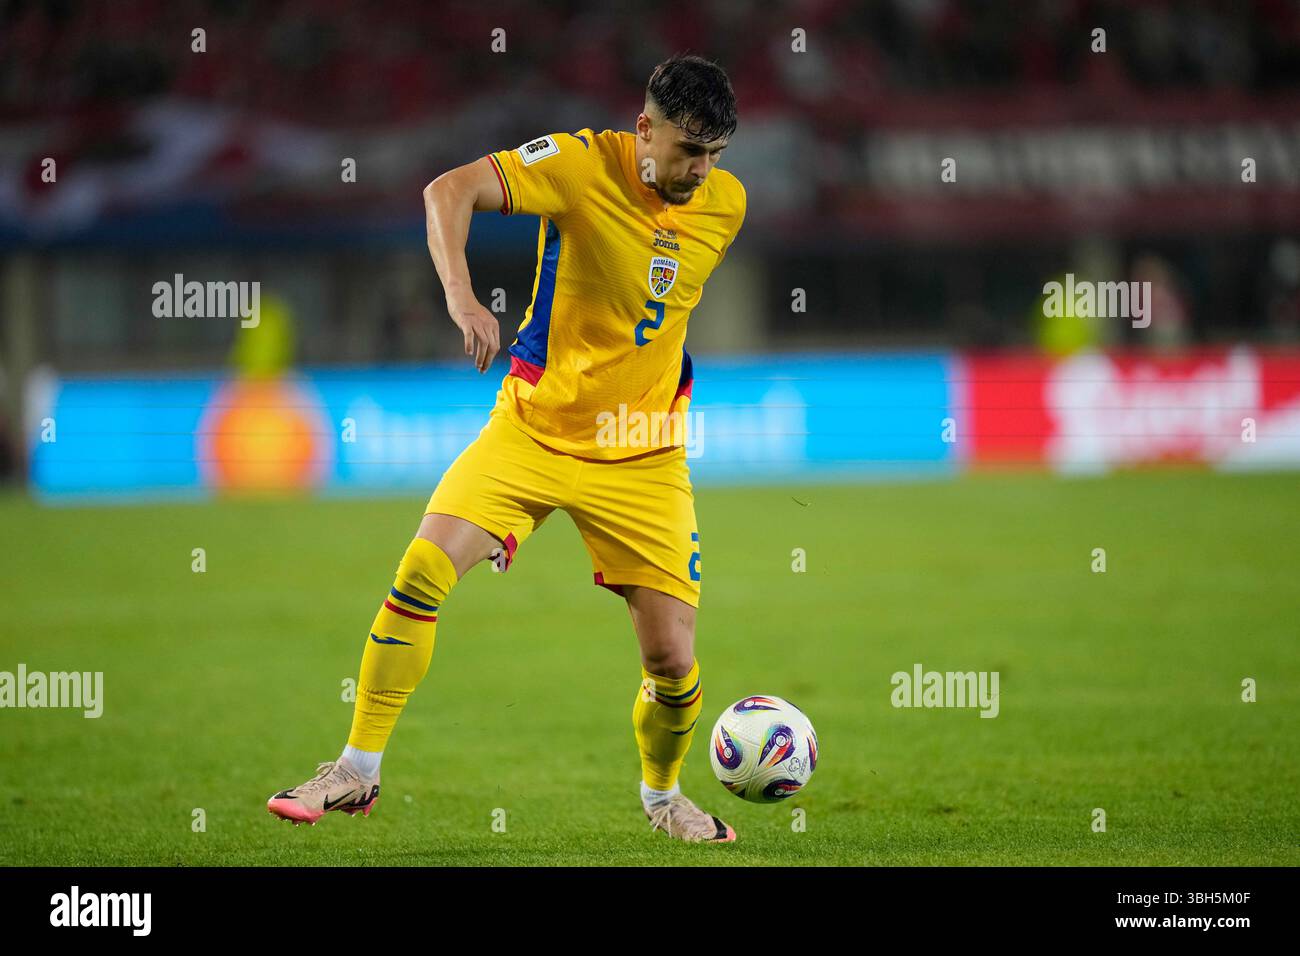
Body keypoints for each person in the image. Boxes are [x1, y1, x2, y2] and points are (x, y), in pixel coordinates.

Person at [267, 54, 746, 843]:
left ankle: (664, 799)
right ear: (644, 129)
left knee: (671, 662)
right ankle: (355, 770)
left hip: (643, 452)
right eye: (689, 151)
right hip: (531, 431)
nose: (701, 170)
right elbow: (446, 191)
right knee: (422, 568)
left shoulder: (725, 206)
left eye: (715, 154)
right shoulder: (578, 164)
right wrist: (462, 299)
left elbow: (650, 311)